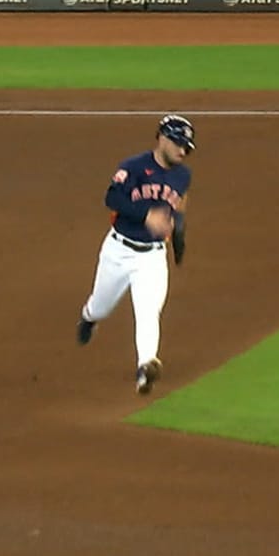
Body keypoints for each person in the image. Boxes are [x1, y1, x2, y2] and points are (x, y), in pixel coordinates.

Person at [76, 114, 195, 395]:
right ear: (162, 139)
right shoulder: (133, 167)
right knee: (101, 305)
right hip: (118, 251)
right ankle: (89, 317)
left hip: (152, 257)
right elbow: (112, 198)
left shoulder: (183, 175)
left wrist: (179, 237)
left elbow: (180, 206)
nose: (182, 151)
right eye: (179, 144)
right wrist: (146, 216)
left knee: (148, 312)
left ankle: (145, 368)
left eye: (187, 148)